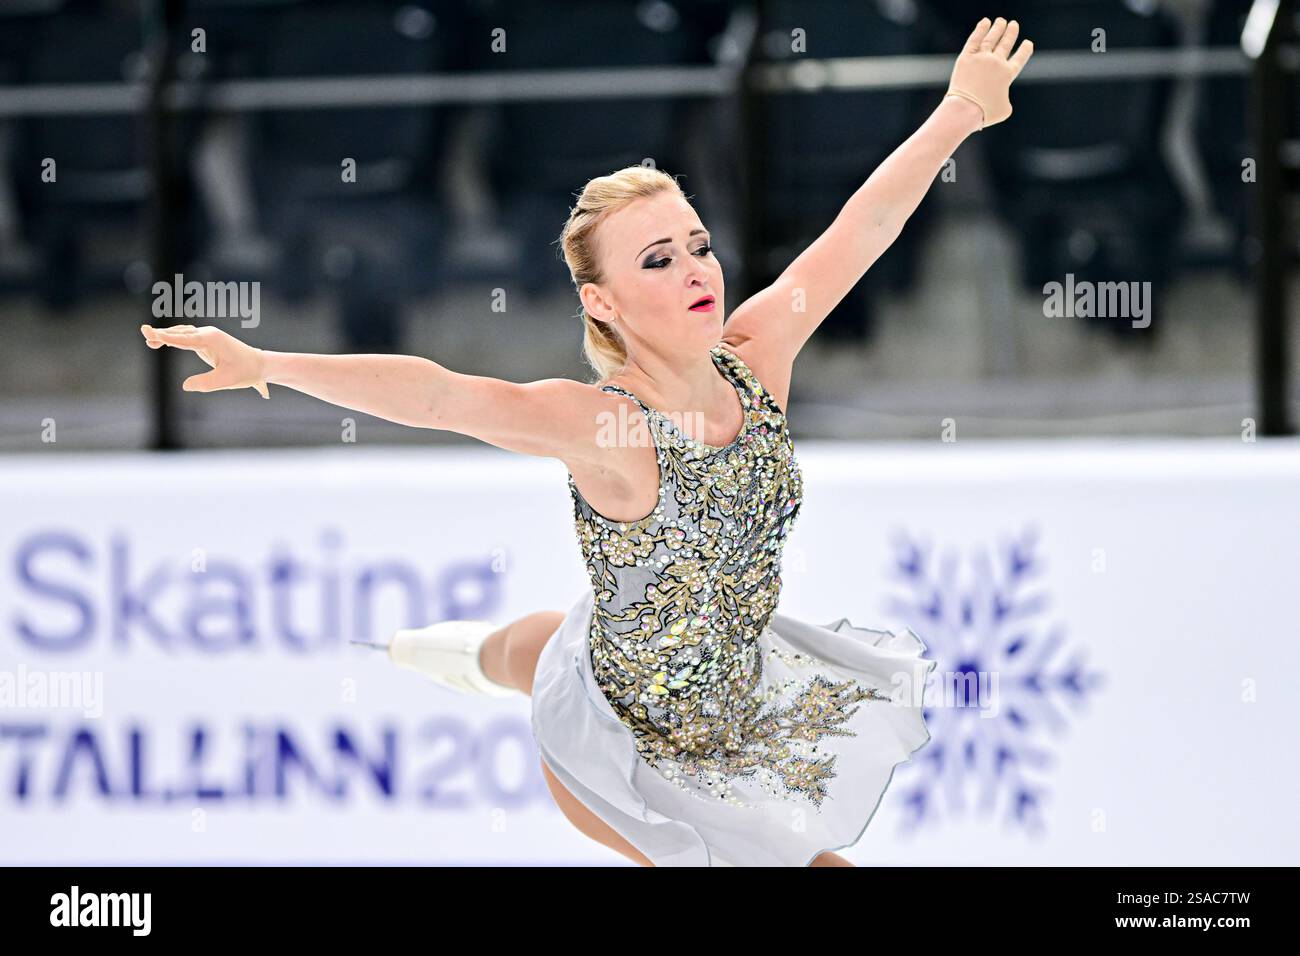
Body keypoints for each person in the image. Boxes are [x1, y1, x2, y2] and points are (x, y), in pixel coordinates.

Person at [140, 17, 1032, 867]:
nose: (693, 270)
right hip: (635, 754)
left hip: (731, 692)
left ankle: (461, 654)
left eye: (697, 245)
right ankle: (468, 657)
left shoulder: (760, 353)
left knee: (545, 650)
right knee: (575, 681)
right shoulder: (608, 427)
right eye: (656, 260)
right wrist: (268, 360)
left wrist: (961, 107)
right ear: (601, 301)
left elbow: (860, 229)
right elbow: (444, 396)